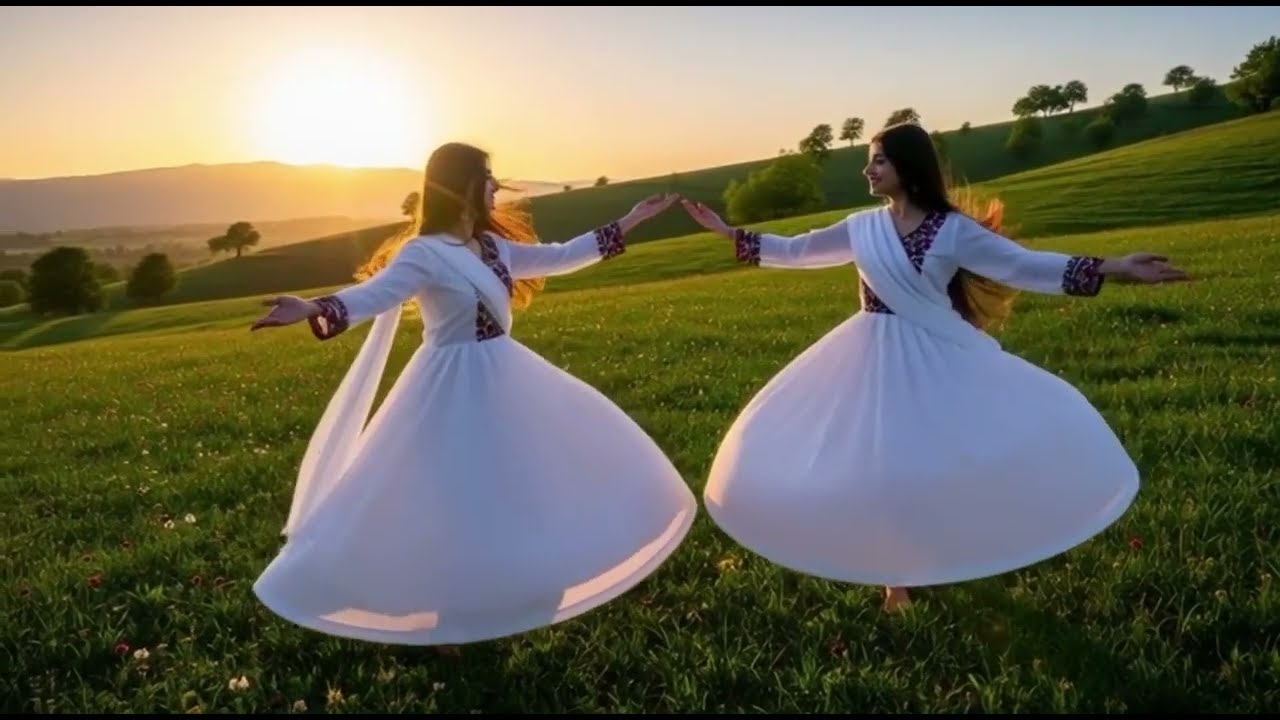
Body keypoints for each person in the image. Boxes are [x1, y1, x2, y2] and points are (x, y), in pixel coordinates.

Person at [680, 121, 1188, 612]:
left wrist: (1118, 266)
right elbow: (797, 249)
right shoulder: (863, 228)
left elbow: (1024, 264)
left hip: (939, 353)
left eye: (878, 160)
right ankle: (894, 580)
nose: (868, 171)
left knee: (945, 453)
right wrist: (729, 233)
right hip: (873, 354)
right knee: (882, 462)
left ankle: (960, 539)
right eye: (868, 161)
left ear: (907, 165)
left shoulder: (953, 231)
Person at [247, 141, 698, 645]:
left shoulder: (492, 248)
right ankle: (443, 614)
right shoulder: (423, 253)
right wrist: (312, 307)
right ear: (459, 186)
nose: (494, 187)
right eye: (486, 177)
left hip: (507, 376)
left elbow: (561, 256)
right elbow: (377, 294)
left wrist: (630, 220)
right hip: (448, 388)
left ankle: (527, 590)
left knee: (520, 483)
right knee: (455, 497)